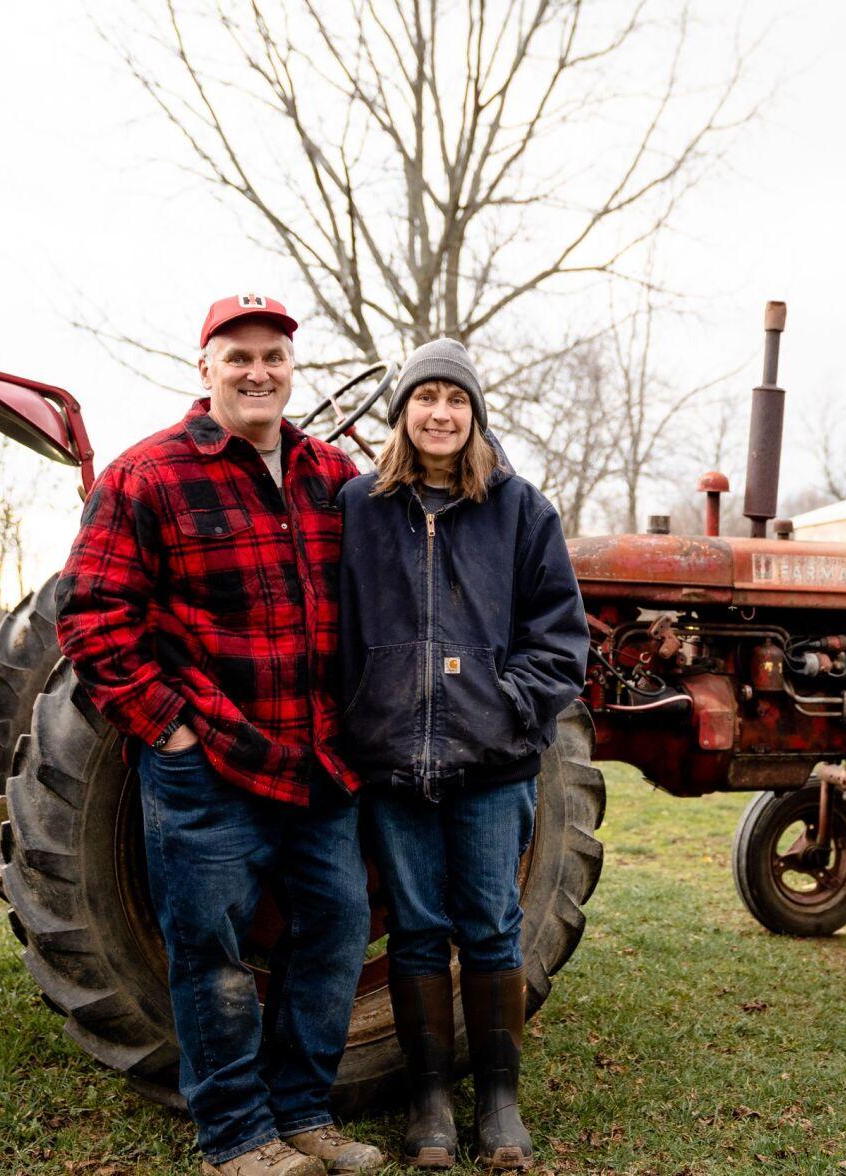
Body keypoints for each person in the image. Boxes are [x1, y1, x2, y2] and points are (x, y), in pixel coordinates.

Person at [56, 294, 383, 1176]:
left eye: (273, 355)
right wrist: (166, 728)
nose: (257, 372)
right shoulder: (148, 475)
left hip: (317, 761)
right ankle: (236, 1136)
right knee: (212, 955)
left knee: (335, 933)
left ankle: (304, 1113)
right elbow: (91, 614)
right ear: (204, 368)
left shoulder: (332, 475)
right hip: (211, 763)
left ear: (292, 368)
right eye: (237, 356)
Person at [336, 339, 587, 1171]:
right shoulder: (360, 508)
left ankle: (498, 1102)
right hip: (393, 764)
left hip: (491, 765)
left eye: (455, 399)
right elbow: (333, 628)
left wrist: (505, 709)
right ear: (402, 412)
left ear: (475, 416)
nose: (439, 413)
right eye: (425, 397)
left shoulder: (520, 510)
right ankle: (429, 1101)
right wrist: (363, 710)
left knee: (490, 928)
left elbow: (559, 640)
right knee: (414, 932)